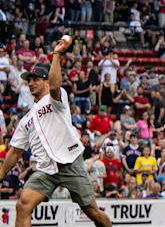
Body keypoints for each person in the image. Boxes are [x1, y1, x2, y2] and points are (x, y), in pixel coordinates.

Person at [0, 36, 117, 227]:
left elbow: (55, 86)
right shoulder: (26, 119)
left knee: (94, 213)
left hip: (70, 163)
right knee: (23, 205)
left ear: (46, 81)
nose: (31, 84)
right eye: (29, 80)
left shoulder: (57, 98)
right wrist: (1, 174)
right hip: (46, 169)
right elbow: (14, 151)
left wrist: (56, 54)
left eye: (36, 79)